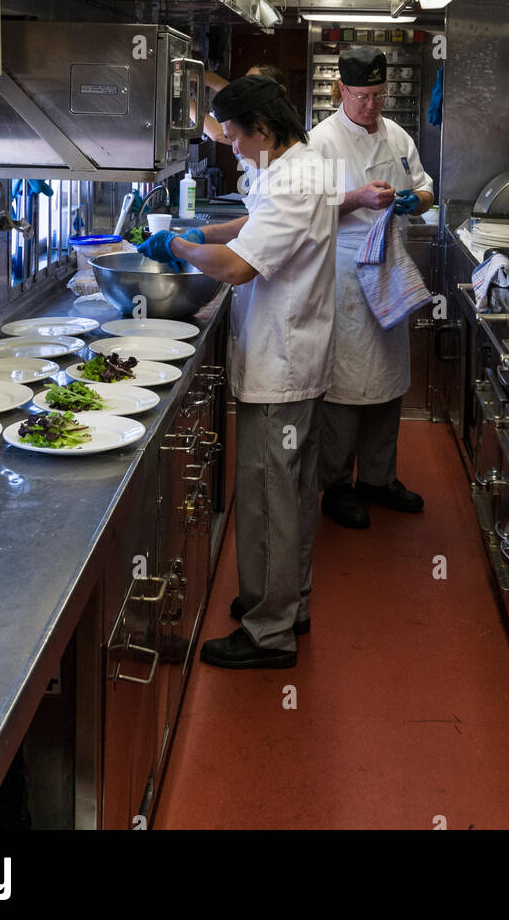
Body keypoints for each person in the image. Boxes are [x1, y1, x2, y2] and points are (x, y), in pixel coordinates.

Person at [137, 76, 337, 668]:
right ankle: (285, 603)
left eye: (235, 140)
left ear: (264, 131)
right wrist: (199, 232)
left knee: (269, 496)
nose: (233, 150)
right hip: (294, 353)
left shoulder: (298, 180)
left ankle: (267, 633)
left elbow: (234, 268)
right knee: (292, 493)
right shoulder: (295, 166)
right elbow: (250, 224)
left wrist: (181, 247)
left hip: (283, 364)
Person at [308, 45, 434, 530]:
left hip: (388, 272)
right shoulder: (320, 142)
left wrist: (412, 202)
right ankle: (336, 486)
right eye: (362, 96)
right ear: (342, 90)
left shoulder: (398, 136)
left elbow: (425, 187)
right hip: (343, 277)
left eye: (379, 96)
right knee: (344, 383)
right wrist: (355, 197)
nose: (371, 106)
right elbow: (305, 209)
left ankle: (378, 480)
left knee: (388, 379)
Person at [200, 63, 287, 145]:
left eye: (249, 83)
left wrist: (187, 102)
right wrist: (192, 73)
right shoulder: (250, 99)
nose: (243, 85)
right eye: (244, 81)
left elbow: (217, 134)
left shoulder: (264, 124)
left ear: (264, 94)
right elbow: (218, 82)